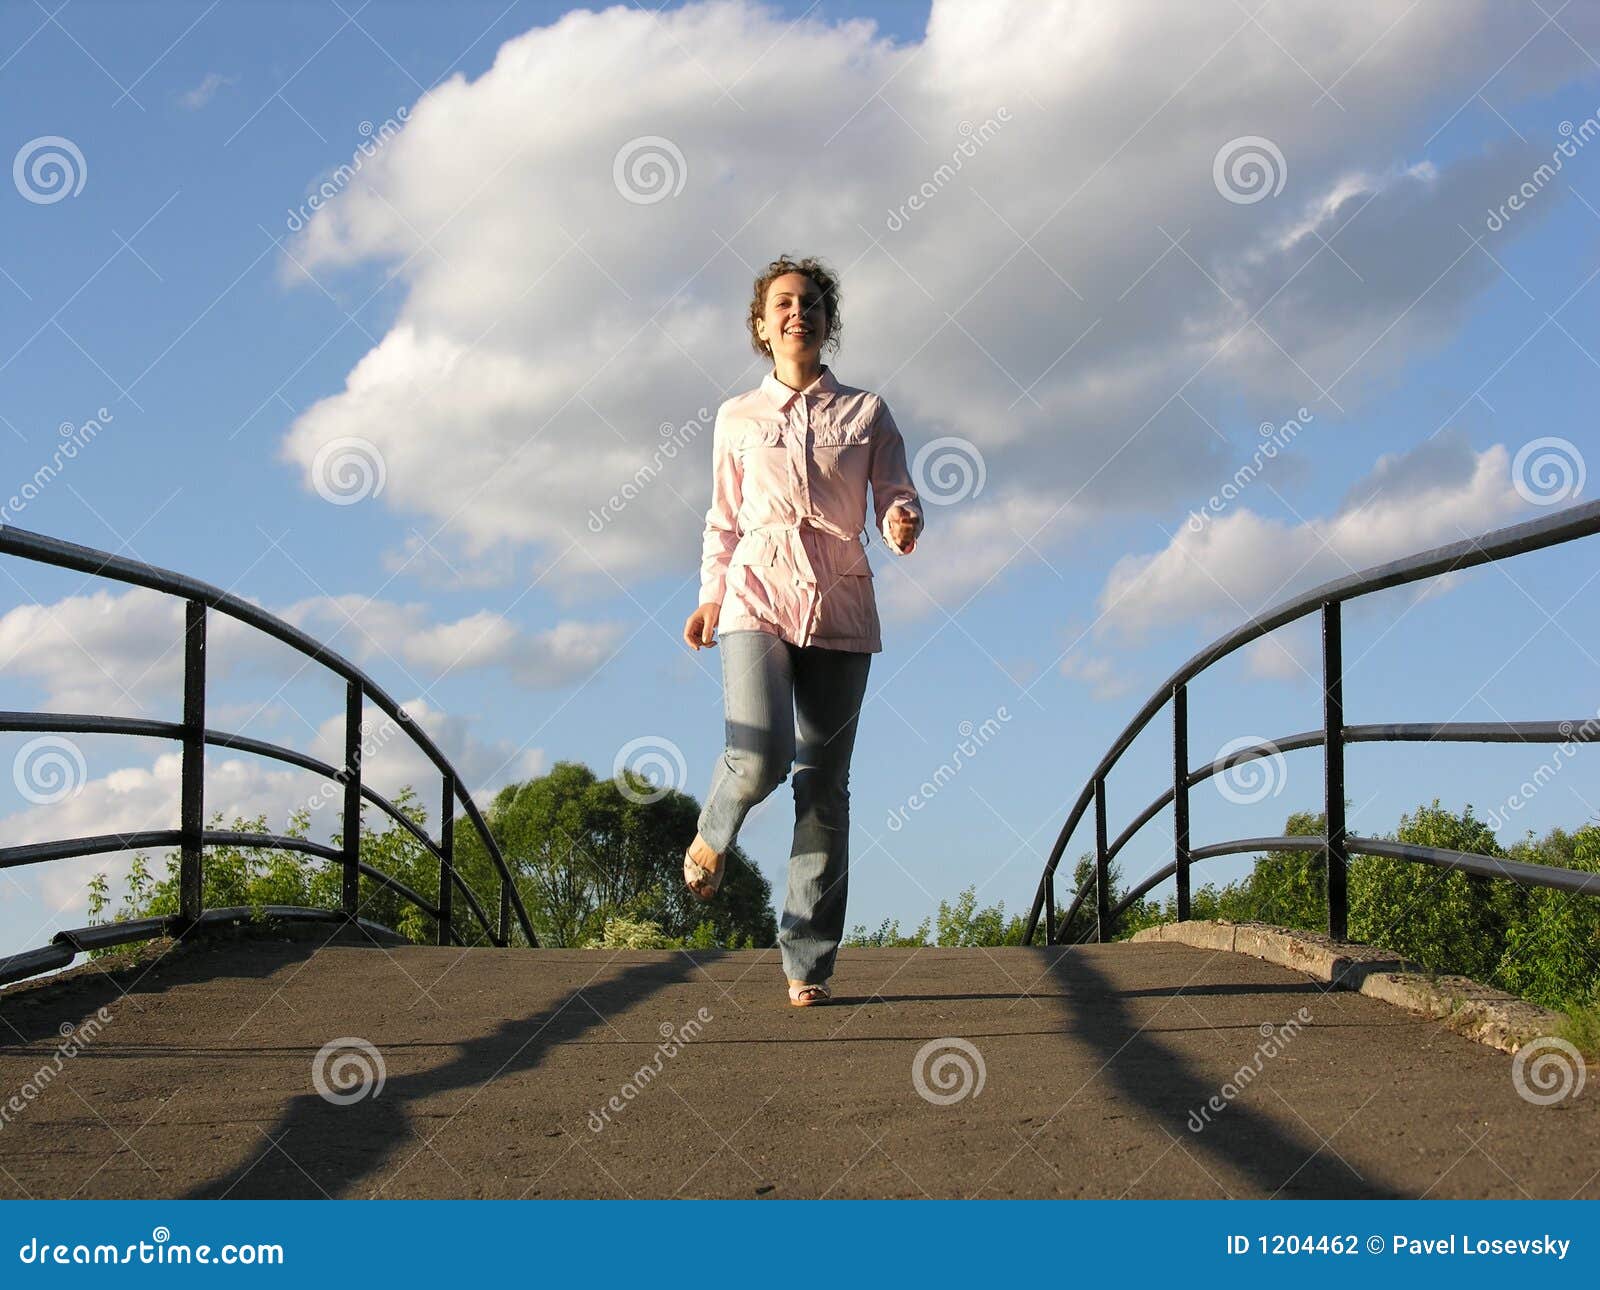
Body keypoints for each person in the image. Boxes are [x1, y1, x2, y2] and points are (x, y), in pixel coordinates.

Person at [681, 254, 924, 1008]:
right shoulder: (736, 418)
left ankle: (806, 961)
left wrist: (901, 518)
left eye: (812, 303)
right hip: (754, 592)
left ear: (829, 323)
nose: (799, 312)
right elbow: (723, 519)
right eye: (784, 303)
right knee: (760, 758)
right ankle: (710, 833)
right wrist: (707, 597)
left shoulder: (868, 413)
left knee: (825, 790)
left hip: (842, 605)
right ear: (762, 326)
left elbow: (895, 490)